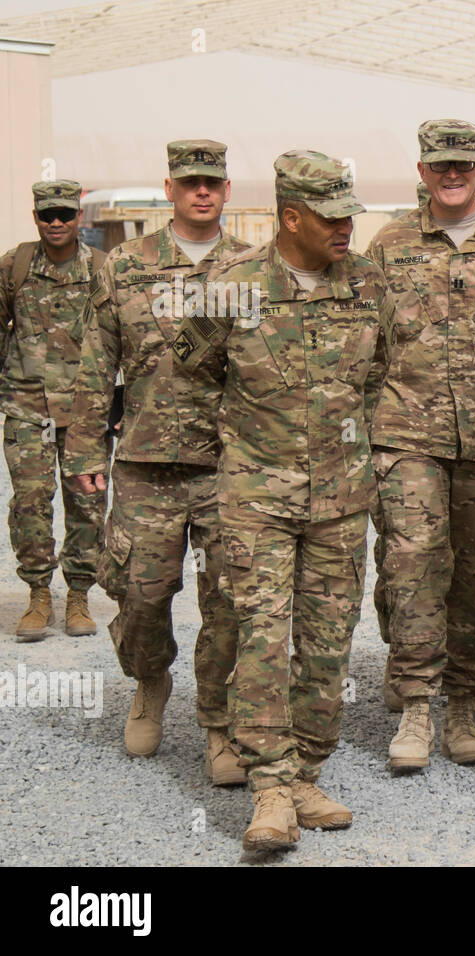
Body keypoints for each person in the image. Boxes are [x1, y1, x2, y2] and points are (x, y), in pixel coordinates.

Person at [171, 150, 393, 852]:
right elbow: (191, 372)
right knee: (263, 639)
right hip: (256, 500)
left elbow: (379, 369)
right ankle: (268, 786)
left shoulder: (366, 282)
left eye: (348, 217)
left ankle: (306, 773)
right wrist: (239, 452)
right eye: (331, 218)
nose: (344, 230)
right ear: (289, 216)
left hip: (339, 498)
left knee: (327, 646)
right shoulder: (231, 285)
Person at [67, 142, 250, 782]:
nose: (202, 193)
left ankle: (220, 722)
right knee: (139, 595)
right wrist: (87, 447)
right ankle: (150, 682)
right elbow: (95, 363)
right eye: (190, 183)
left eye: (213, 183)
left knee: (230, 599)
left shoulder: (252, 268)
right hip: (145, 462)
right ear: (169, 188)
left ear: (227, 190)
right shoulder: (126, 265)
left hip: (231, 463)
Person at [367, 119, 475, 771]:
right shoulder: (389, 245)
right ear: (422, 170)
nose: (453, 175)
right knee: (412, 563)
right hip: (408, 433)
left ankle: (465, 699)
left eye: (463, 164)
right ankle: (414, 704)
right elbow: (365, 345)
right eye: (441, 166)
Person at [1, 180, 105, 641]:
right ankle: (39, 594)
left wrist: (117, 405)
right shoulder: (14, 266)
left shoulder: (102, 269)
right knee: (29, 505)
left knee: (86, 505)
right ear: (36, 216)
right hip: (26, 409)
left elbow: (117, 339)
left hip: (84, 412)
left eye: (65, 214)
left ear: (79, 217)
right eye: (48, 215)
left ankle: (79, 593)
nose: (57, 222)